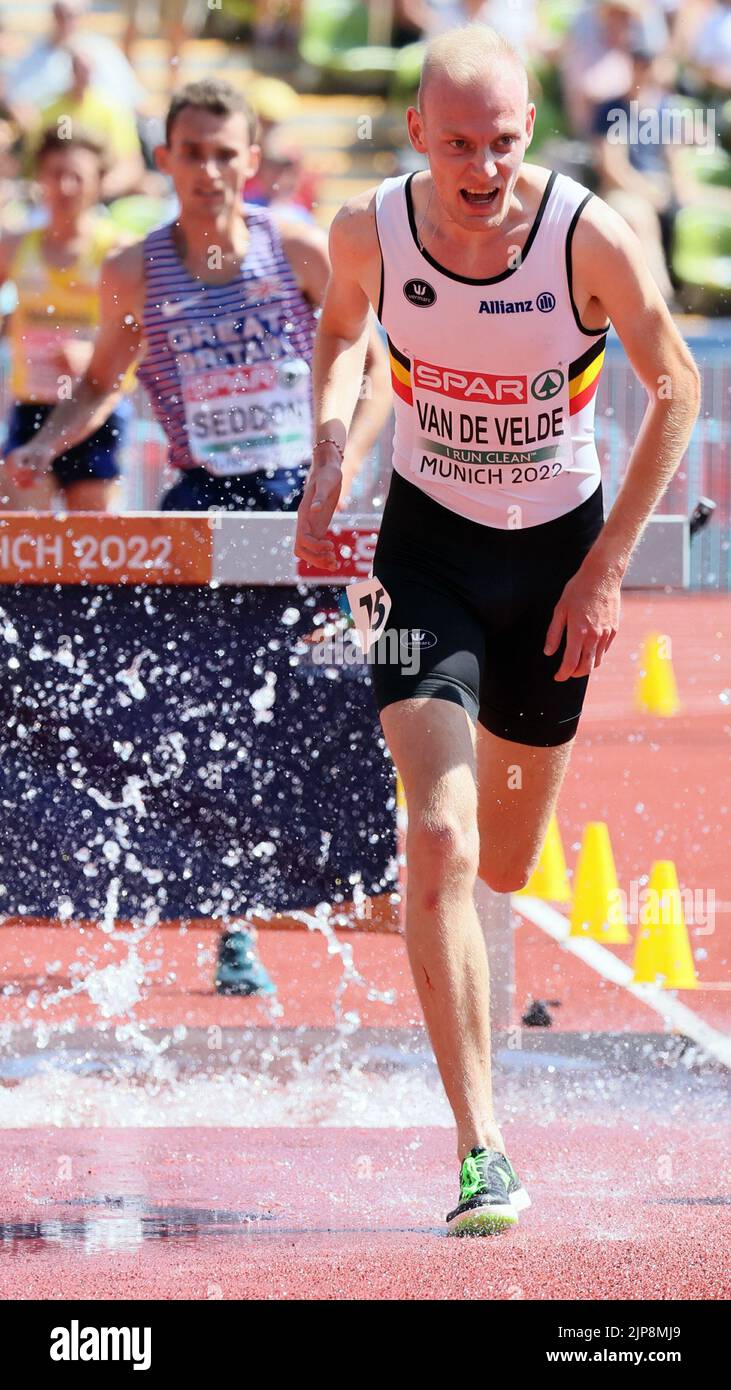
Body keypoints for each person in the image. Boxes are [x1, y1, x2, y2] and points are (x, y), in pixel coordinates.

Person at [294, 24, 700, 1234]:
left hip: (556, 565)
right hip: (425, 556)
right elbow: (341, 335)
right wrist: (327, 464)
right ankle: (481, 1148)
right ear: (416, 131)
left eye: (504, 144)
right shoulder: (370, 229)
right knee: (437, 833)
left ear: (531, 135)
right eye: (458, 143)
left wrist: (607, 567)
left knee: (503, 870)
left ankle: (455, 953)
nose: (481, 171)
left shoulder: (587, 236)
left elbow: (676, 382)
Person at [3, 78, 391, 992]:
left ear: (250, 162)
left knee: (326, 706)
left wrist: (339, 465)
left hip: (302, 505)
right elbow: (102, 382)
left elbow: (373, 369)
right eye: (193, 153)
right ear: (165, 160)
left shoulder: (292, 246)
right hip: (202, 506)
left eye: (227, 154)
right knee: (209, 725)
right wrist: (44, 446)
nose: (210, 170)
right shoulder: (134, 270)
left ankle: (379, 891)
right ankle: (231, 925)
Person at [0, 130, 133, 512]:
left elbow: (144, 333)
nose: (66, 187)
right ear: (39, 178)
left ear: (98, 183)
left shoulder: (118, 251)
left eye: (77, 176)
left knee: (94, 542)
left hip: (95, 409)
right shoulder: (13, 248)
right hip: (32, 407)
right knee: (26, 541)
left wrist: (94, 354)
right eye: (55, 174)